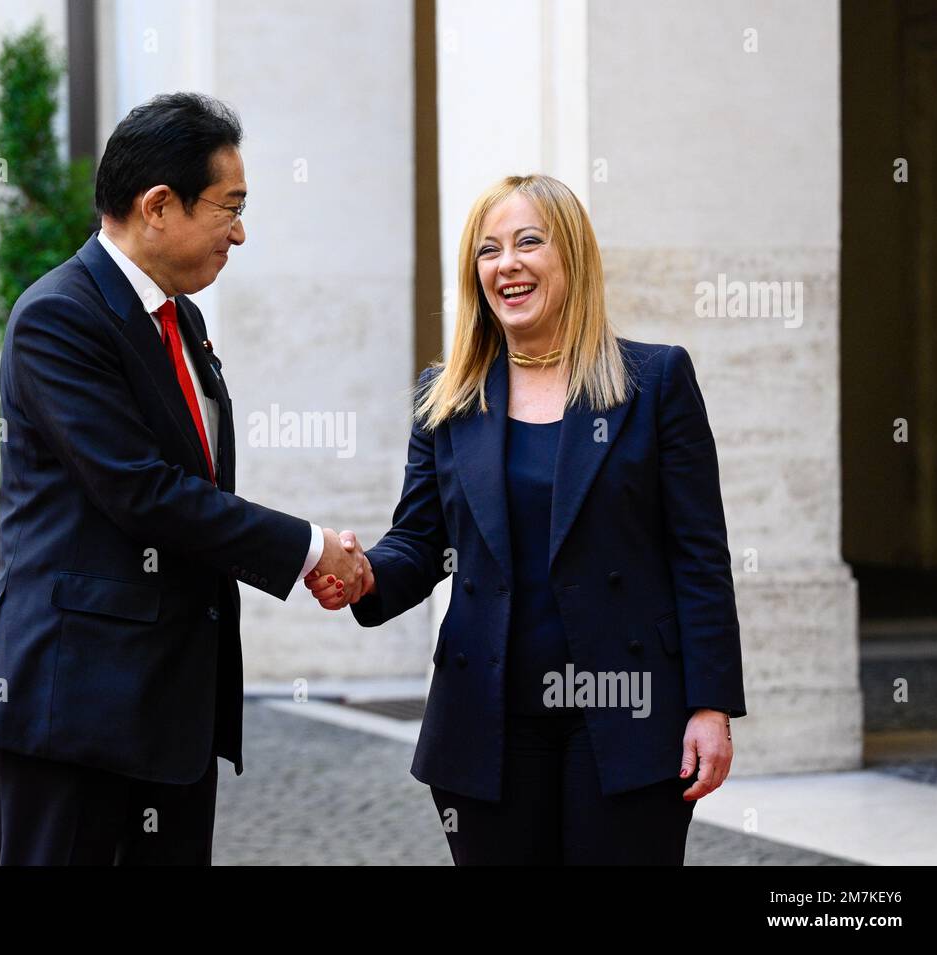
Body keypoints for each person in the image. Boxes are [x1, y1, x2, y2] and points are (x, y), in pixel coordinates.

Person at [0, 92, 366, 866]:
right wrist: (311, 549)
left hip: (168, 702)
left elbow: (195, 481)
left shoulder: (181, 318)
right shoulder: (59, 316)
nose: (240, 232)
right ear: (157, 205)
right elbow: (141, 492)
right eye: (230, 208)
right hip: (75, 702)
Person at [306, 174, 746, 865]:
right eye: (488, 250)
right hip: (487, 722)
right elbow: (422, 541)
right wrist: (362, 576)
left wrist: (711, 705)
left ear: (571, 255)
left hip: (629, 717)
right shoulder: (445, 395)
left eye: (527, 242)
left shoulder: (656, 381)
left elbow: (699, 555)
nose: (505, 263)